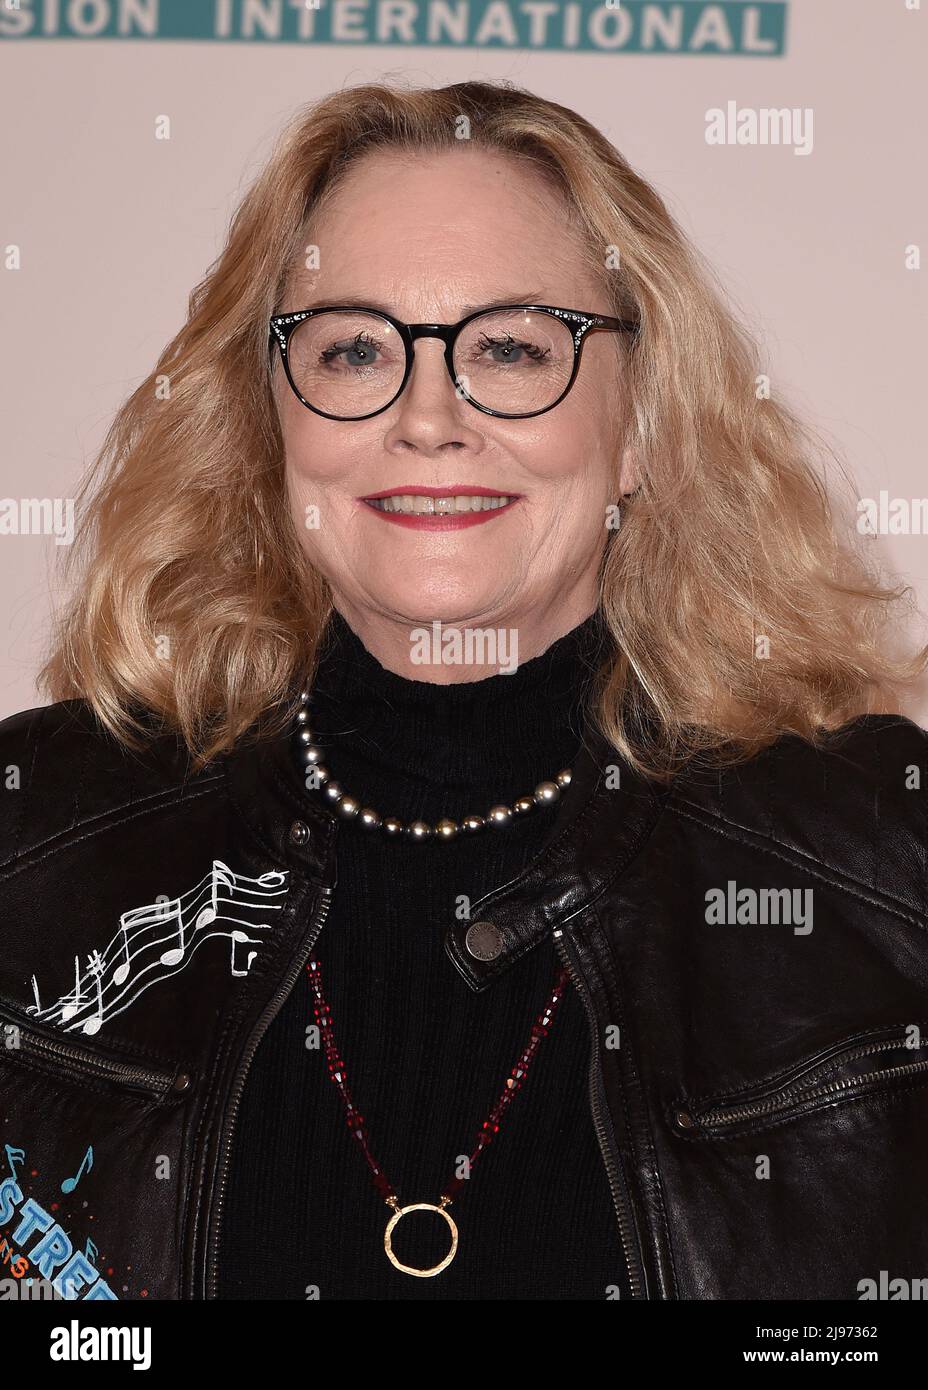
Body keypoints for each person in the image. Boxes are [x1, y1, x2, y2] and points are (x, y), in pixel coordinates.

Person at [1, 79, 925, 1303]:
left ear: (639, 420)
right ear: (268, 417)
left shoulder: (878, 873)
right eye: (351, 349)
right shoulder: (36, 844)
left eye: (510, 347)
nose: (426, 414)